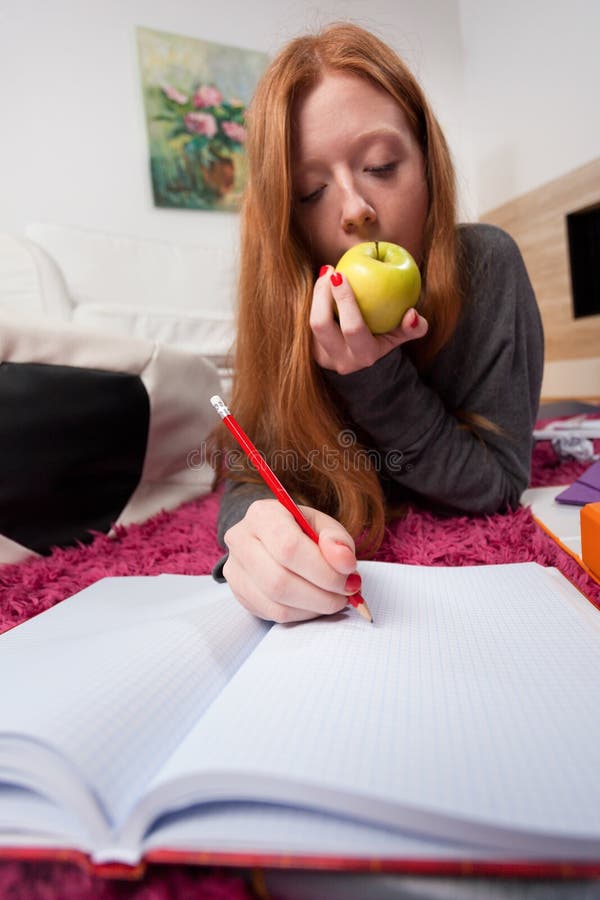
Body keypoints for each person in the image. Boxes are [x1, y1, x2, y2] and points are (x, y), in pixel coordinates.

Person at [210, 22, 544, 623]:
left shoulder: (488, 266)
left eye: (382, 166)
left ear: (426, 164)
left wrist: (374, 375)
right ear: (288, 220)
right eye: (312, 192)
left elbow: (496, 487)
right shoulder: (285, 299)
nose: (355, 210)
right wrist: (251, 527)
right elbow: (250, 472)